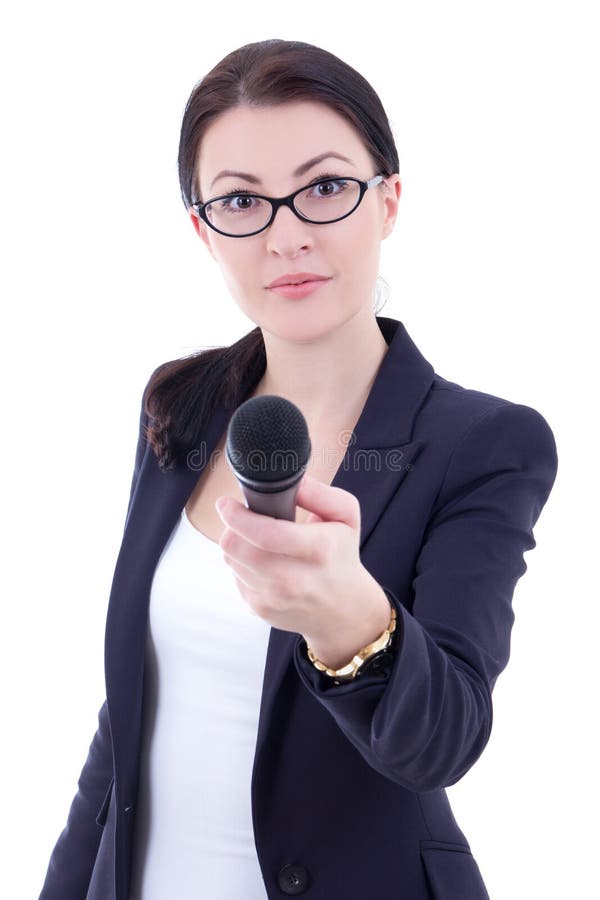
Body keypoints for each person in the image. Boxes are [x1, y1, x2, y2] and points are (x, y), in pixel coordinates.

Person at [38, 38, 559, 900]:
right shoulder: (182, 407)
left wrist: (352, 622)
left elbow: (445, 741)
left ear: (388, 202)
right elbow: (125, 727)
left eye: (323, 188)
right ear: (203, 230)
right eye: (242, 200)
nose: (286, 237)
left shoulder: (484, 444)